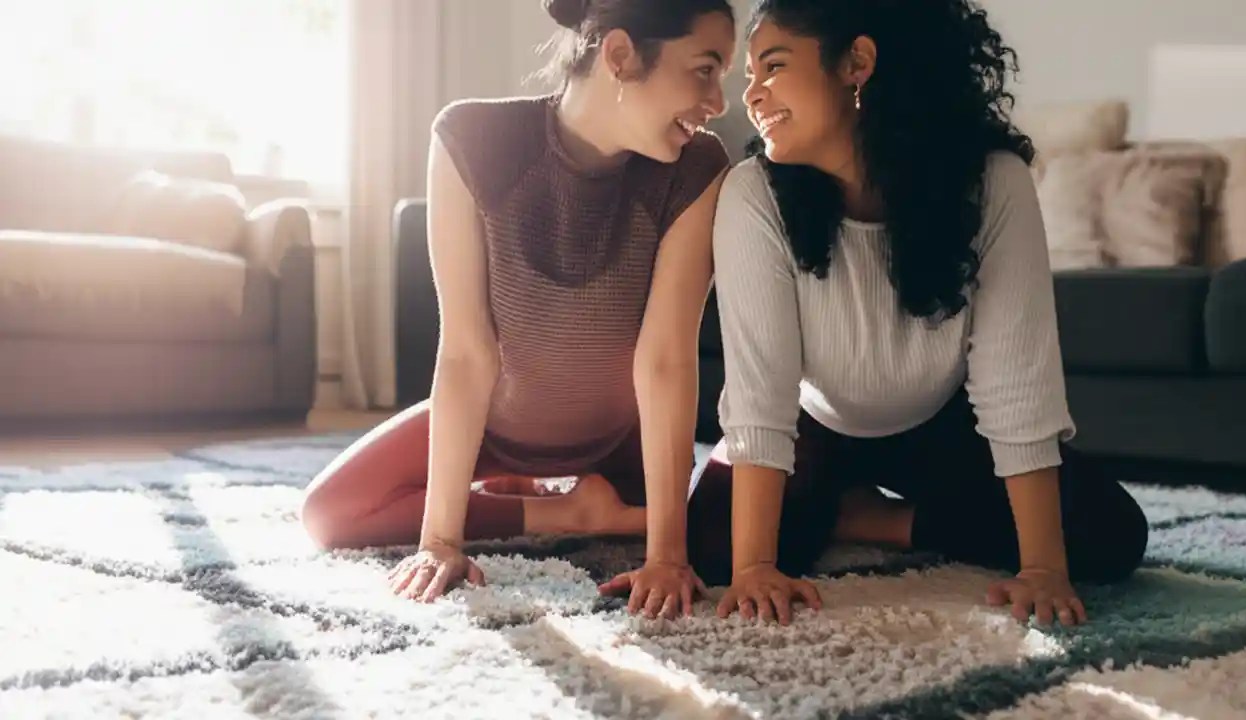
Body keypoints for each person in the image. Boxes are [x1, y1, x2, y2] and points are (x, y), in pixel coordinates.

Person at [689, 0, 1149, 627]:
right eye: (750, 75)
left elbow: (1016, 384)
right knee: (713, 550)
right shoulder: (755, 192)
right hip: (816, 424)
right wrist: (753, 571)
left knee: (1112, 536)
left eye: (772, 66)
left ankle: (870, 519)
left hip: (939, 422)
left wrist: (1043, 570)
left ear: (858, 62)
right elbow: (760, 393)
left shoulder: (993, 183)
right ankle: (843, 503)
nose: (753, 95)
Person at [300, 0, 736, 619]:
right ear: (619, 55)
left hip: (620, 440)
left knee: (720, 532)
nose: (719, 100)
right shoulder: (470, 139)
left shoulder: (699, 167)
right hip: (495, 427)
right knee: (328, 512)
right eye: (705, 69)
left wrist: (667, 555)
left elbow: (665, 357)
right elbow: (467, 352)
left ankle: (575, 496)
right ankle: (567, 507)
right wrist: (440, 542)